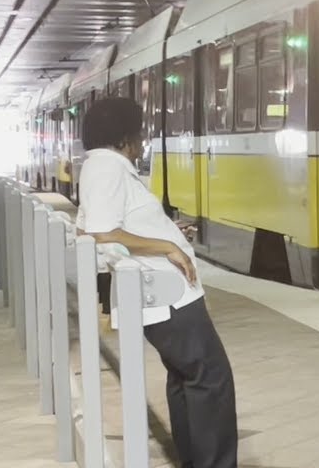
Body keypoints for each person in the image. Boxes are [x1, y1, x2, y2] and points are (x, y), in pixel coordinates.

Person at [76, 97, 237, 468]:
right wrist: (166, 245)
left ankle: (196, 459)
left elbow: (108, 224)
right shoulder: (107, 168)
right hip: (166, 294)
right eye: (140, 130)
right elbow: (101, 232)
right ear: (124, 136)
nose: (144, 138)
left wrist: (166, 230)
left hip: (162, 292)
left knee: (186, 377)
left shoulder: (104, 166)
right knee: (210, 378)